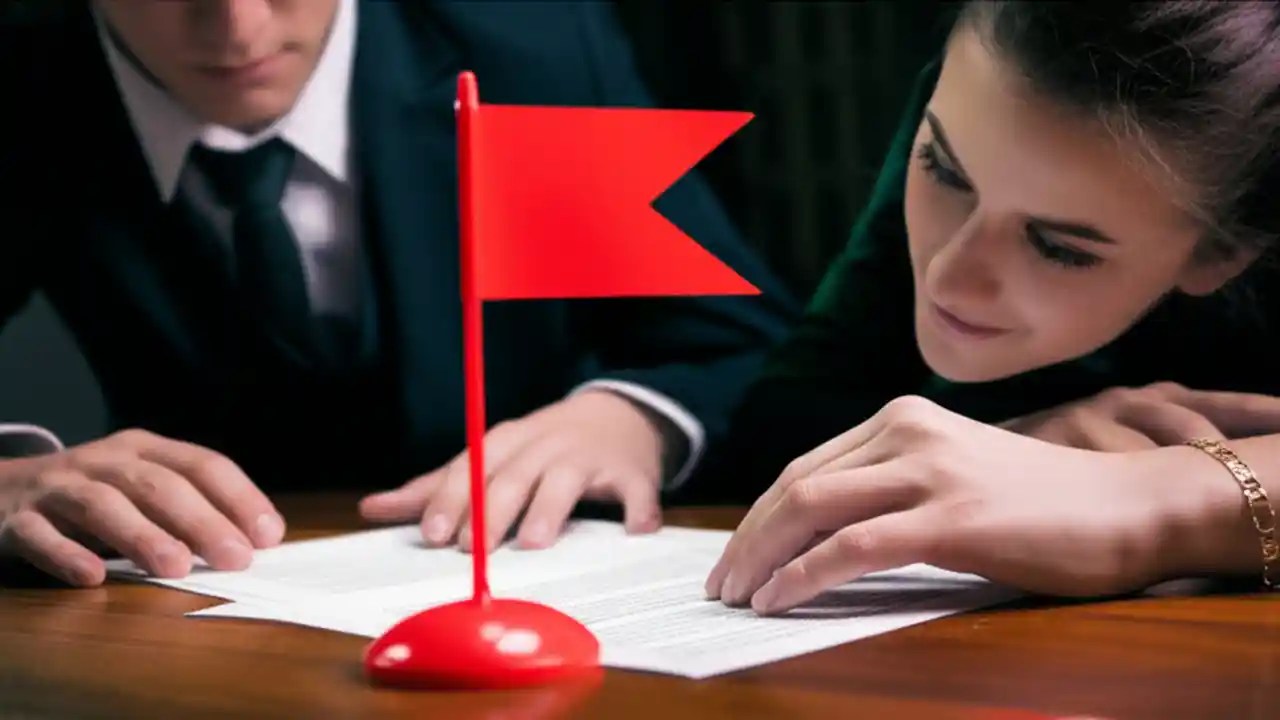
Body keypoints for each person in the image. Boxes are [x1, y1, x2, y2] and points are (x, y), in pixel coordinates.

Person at [0, 0, 796, 587]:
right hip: (186, 599)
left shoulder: (527, 45)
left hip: (538, 570)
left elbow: (742, 342)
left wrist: (633, 418)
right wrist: (11, 480)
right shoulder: (23, 77)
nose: (237, 27)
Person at [707, 1, 1280, 615]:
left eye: (1058, 248)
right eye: (941, 170)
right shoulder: (992, 110)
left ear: (1224, 251)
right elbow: (781, 435)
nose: (949, 276)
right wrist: (1020, 444)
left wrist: (1154, 502)